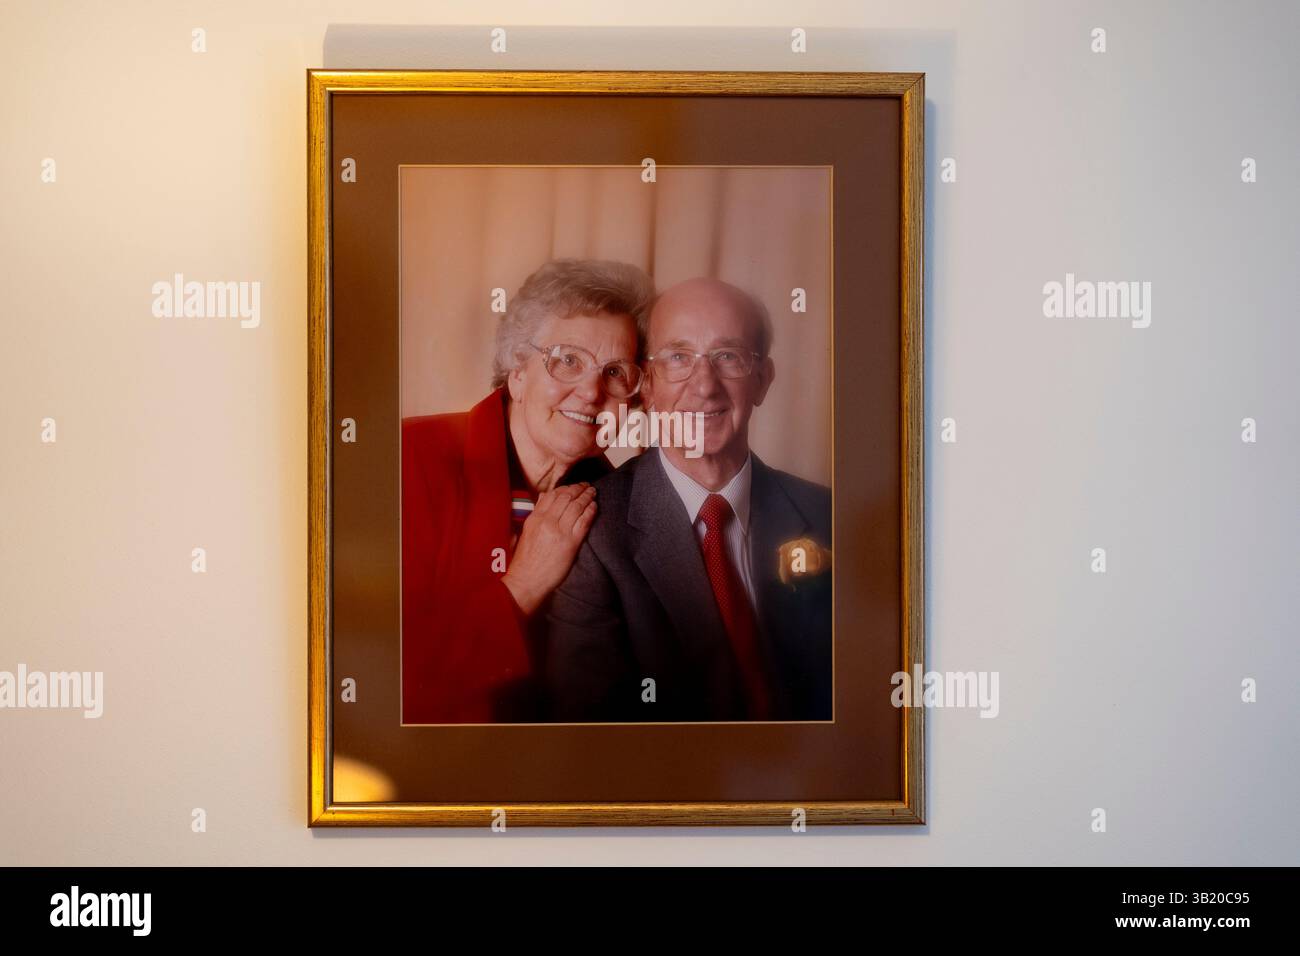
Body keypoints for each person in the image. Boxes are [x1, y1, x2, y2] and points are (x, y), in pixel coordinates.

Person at [545, 277, 832, 722]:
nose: (705, 386)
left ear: (762, 380)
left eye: (728, 357)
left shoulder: (827, 518)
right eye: (678, 357)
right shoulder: (594, 535)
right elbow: (592, 741)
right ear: (647, 384)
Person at [402, 259, 654, 723]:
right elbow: (384, 675)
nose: (591, 391)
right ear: (516, 372)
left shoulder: (625, 502)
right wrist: (522, 585)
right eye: (568, 361)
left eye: (615, 372)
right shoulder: (409, 459)